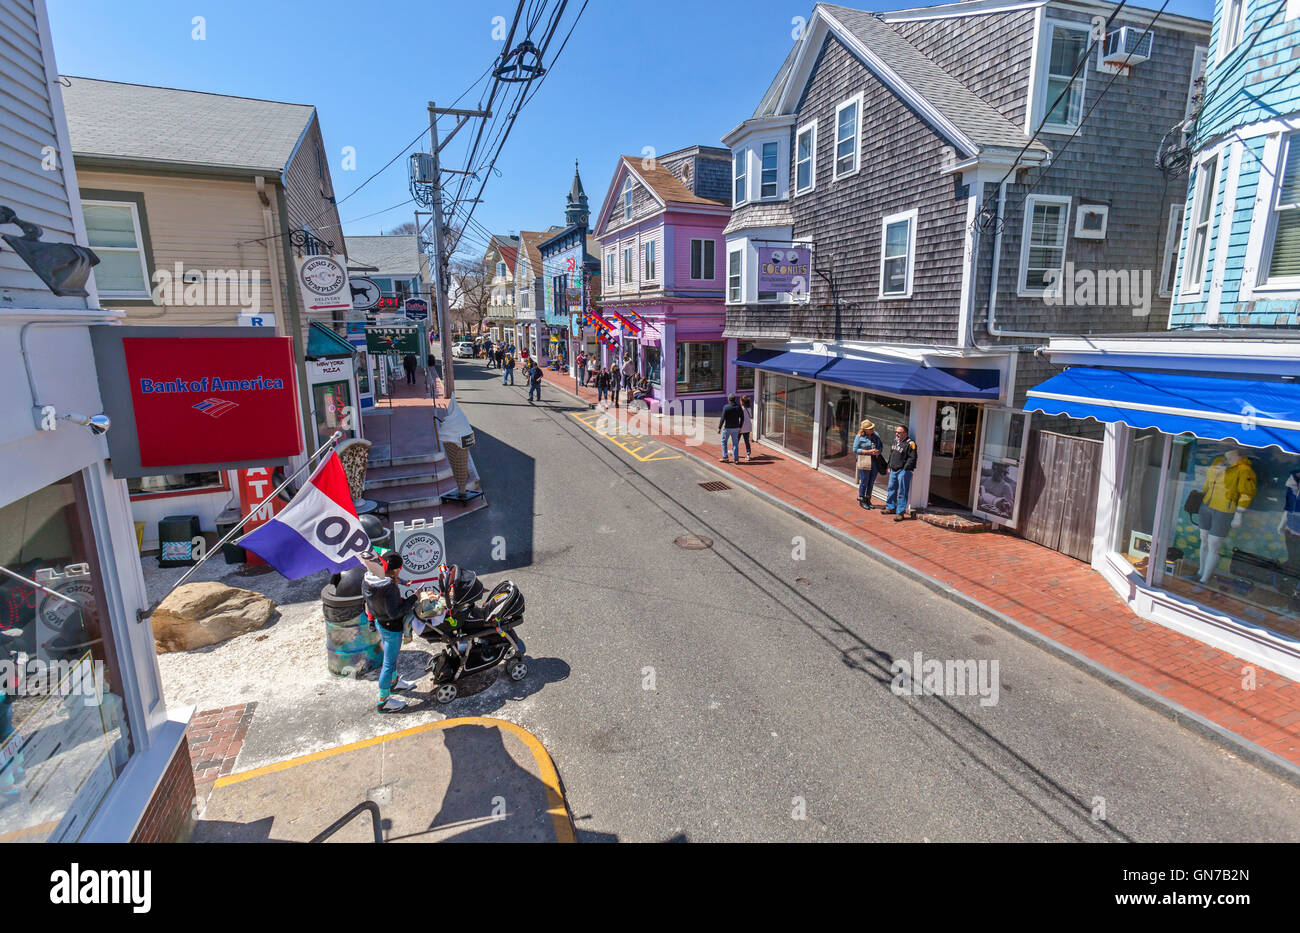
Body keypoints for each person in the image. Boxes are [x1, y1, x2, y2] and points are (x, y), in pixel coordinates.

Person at [362, 552, 419, 713]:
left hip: (380, 623)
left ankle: (394, 682)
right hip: (392, 628)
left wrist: (401, 582)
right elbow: (396, 612)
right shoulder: (388, 588)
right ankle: (383, 701)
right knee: (388, 663)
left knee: (391, 658)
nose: (400, 570)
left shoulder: (368, 578)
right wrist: (414, 598)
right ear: (395, 569)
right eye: (400, 568)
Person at [884, 424, 918, 521]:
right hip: (893, 470)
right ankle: (890, 508)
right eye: (896, 432)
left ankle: (900, 513)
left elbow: (912, 458)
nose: (897, 434)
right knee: (891, 489)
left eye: (899, 432)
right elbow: (891, 454)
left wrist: (905, 469)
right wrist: (889, 466)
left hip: (903, 471)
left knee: (902, 492)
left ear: (905, 433)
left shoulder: (910, 443)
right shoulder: (895, 441)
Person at [852, 419, 885, 510]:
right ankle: (861, 499)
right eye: (870, 429)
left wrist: (878, 451)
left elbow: (881, 446)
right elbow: (855, 449)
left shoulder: (876, 435)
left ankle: (868, 499)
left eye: (872, 428)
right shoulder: (859, 437)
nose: (872, 430)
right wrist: (868, 451)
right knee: (864, 480)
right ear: (865, 430)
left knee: (871, 481)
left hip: (875, 460)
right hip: (865, 459)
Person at [718, 394, 745, 463]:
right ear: (734, 399)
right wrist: (740, 427)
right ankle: (736, 459)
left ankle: (725, 457)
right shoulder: (739, 407)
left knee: (724, 442)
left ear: (729, 399)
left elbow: (723, 418)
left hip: (727, 428)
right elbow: (742, 417)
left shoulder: (726, 407)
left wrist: (719, 427)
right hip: (736, 428)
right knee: (735, 443)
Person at [738, 395, 754, 461]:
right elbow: (751, 416)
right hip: (747, 427)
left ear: (742, 402)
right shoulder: (749, 408)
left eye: (740, 400)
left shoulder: (740, 408)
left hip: (740, 427)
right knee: (747, 441)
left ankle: (734, 451)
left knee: (736, 440)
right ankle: (748, 454)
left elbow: (738, 418)